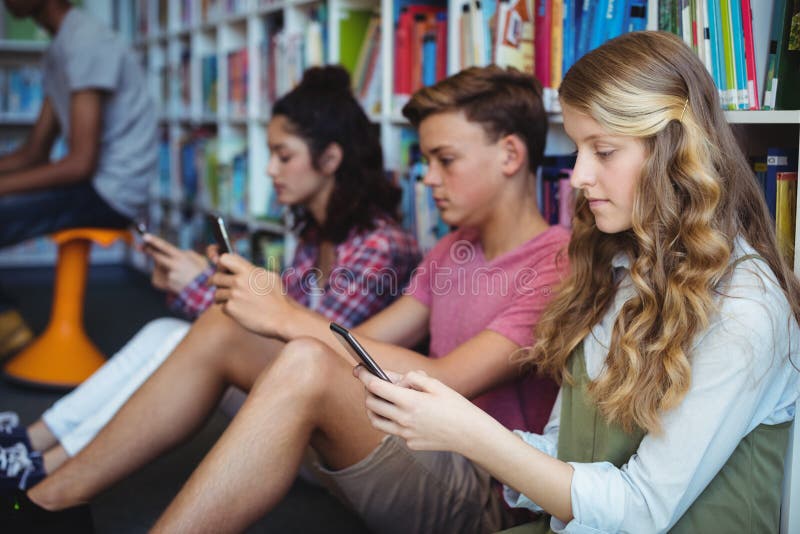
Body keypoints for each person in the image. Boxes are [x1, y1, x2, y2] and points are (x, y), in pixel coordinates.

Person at [13, 65, 570, 533]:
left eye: (444, 159)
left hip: (484, 488)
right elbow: (376, 342)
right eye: (426, 162)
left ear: (510, 155)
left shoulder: (556, 264)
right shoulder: (453, 248)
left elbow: (445, 377)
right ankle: (53, 501)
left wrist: (287, 317)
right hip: (410, 439)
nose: (427, 179)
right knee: (226, 331)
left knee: (304, 356)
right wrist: (270, 317)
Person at [356, 31, 800, 533]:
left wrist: (473, 434)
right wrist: (453, 424)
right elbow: (565, 454)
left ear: (673, 152)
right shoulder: (613, 272)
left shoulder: (746, 306)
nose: (578, 175)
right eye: (577, 148)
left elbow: (641, 510)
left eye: (603, 151)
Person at [0, 66, 419, 498]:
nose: (270, 169)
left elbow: (303, 342)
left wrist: (197, 285)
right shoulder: (316, 235)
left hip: (342, 425)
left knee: (177, 338)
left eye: (284, 155)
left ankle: (43, 468)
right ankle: (34, 447)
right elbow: (276, 325)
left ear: (330, 159)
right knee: (166, 333)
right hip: (296, 398)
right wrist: (207, 280)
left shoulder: (380, 247)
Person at [0, 0, 156, 358]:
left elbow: (79, 164)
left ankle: (6, 323)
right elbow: (33, 153)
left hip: (112, 193)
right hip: (93, 184)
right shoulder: (61, 47)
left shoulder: (86, 42)